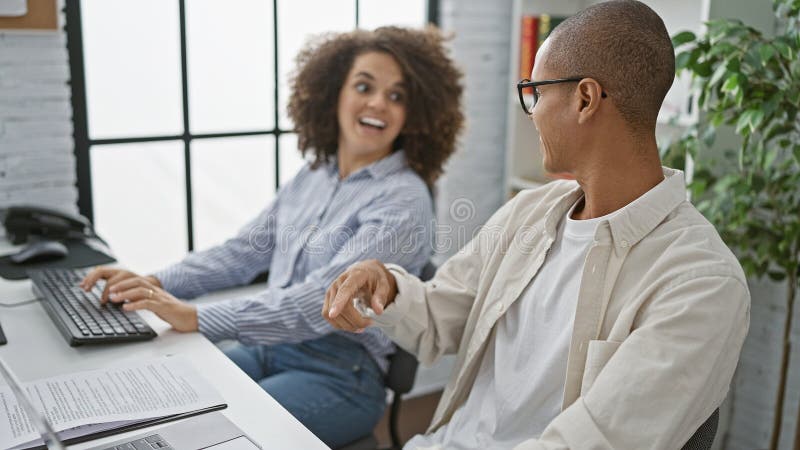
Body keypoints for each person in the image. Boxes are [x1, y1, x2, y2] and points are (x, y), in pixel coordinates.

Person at [323, 2, 750, 449]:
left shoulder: (701, 283)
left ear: (585, 99)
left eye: (536, 92)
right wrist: (386, 284)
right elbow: (442, 314)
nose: (532, 111)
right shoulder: (529, 213)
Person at [80, 26, 464, 448]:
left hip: (339, 375)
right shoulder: (313, 175)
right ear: (334, 91)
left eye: (397, 96)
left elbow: (323, 300)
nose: (378, 103)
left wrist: (196, 317)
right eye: (363, 86)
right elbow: (244, 252)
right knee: (164, 407)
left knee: (205, 439)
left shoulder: (405, 199)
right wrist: (154, 284)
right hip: (269, 349)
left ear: (416, 112)